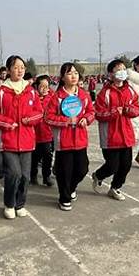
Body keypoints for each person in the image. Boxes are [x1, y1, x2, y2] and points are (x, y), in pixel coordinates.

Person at [0, 55, 43, 219]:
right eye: (16, 67)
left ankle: (20, 204)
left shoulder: (31, 91)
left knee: (25, 176)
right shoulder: (2, 92)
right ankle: (9, 204)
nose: (20, 70)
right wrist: (7, 123)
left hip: (27, 141)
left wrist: (29, 120)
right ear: (9, 69)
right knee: (14, 174)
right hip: (8, 140)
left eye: (22, 67)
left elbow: (39, 112)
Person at [45, 63, 94, 211]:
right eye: (69, 73)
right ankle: (64, 197)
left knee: (82, 169)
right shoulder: (57, 97)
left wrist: (87, 119)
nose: (73, 76)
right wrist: (66, 121)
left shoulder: (84, 95)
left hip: (80, 139)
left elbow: (91, 112)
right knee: (64, 171)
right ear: (62, 77)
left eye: (75, 73)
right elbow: (48, 117)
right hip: (63, 141)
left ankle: (71, 188)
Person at [92, 59, 139, 201]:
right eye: (118, 69)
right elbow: (98, 114)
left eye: (124, 69)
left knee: (125, 165)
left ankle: (115, 188)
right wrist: (114, 112)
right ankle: (99, 175)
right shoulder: (104, 93)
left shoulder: (130, 90)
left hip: (126, 135)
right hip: (110, 137)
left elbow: (137, 109)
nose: (122, 72)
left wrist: (128, 110)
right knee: (112, 165)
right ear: (111, 74)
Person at [30, 75, 55, 187]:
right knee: (34, 157)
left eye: (46, 86)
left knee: (47, 156)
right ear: (36, 86)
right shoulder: (31, 98)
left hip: (47, 133)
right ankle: (33, 176)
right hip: (33, 133)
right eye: (42, 86)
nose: (44, 89)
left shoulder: (52, 98)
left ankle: (46, 176)